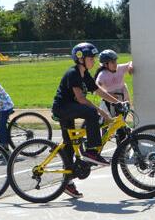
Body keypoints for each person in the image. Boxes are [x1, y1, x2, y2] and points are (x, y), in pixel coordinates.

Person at [51, 42, 127, 198]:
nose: (94, 61)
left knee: (69, 144)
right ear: (80, 59)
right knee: (92, 113)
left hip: (70, 108)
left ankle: (67, 182)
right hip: (63, 108)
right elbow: (80, 98)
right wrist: (101, 111)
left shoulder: (84, 74)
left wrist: (117, 102)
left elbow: (98, 91)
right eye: (91, 58)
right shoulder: (73, 73)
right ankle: (92, 151)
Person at [95, 49, 133, 117]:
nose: (115, 64)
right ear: (105, 64)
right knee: (109, 117)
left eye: (115, 61)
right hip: (110, 100)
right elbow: (97, 86)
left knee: (122, 116)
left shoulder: (119, 68)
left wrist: (130, 66)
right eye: (112, 62)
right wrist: (108, 94)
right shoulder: (102, 74)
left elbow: (130, 62)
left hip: (123, 95)